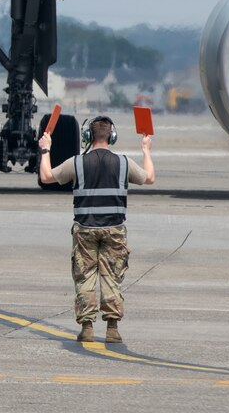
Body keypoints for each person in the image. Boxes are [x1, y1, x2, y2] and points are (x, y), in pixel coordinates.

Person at [38, 115, 155, 344]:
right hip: (114, 230)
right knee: (111, 278)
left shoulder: (77, 162)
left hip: (85, 229)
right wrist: (146, 150)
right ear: (111, 137)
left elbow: (46, 176)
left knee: (85, 277)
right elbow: (149, 178)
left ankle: (87, 327)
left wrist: (45, 149)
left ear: (87, 137)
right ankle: (112, 328)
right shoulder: (123, 163)